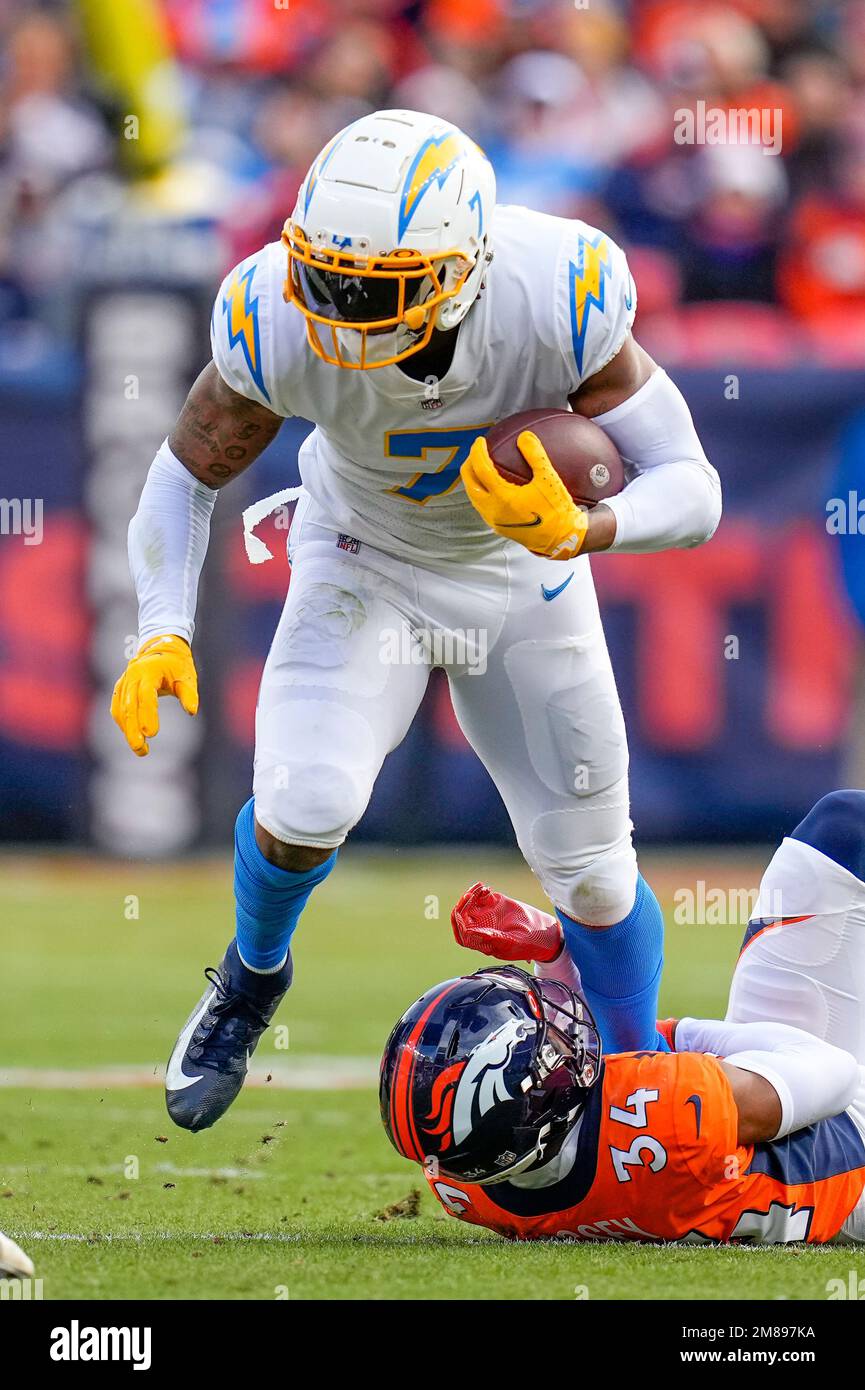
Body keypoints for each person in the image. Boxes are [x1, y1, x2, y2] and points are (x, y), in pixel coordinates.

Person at [109, 109, 720, 1132]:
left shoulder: (553, 294)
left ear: (464, 269)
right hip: (363, 557)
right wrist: (160, 626)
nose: (341, 310)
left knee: (593, 868)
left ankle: (634, 1085)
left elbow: (691, 487)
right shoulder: (276, 314)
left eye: (376, 288)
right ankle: (252, 982)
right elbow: (182, 475)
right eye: (327, 276)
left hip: (523, 572)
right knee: (305, 801)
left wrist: (590, 524)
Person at [381, 789, 865, 1244]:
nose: (562, 1028)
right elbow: (834, 1070)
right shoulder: (670, 1113)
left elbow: (558, 1108)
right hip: (847, 1149)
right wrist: (660, 1044)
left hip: (766, 1147)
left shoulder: (469, 1185)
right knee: (844, 829)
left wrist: (555, 961)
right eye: (547, 1036)